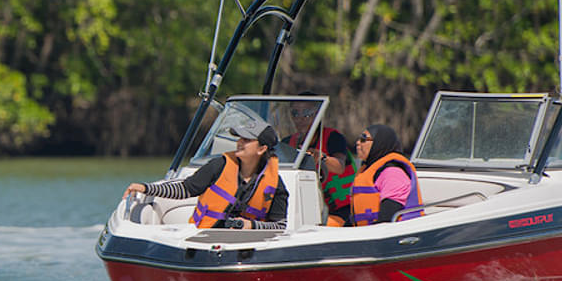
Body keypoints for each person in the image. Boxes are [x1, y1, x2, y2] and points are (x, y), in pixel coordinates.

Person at [123, 121, 290, 230]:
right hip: (205, 238)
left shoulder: (276, 184)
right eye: (240, 138)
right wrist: (146, 188)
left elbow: (280, 225)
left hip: (250, 244)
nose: (239, 143)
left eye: (247, 140)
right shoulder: (219, 165)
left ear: (262, 149)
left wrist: (251, 226)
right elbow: (185, 189)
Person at [284, 92, 357, 226]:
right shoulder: (287, 143)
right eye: (295, 113)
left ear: (317, 115)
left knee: (328, 226)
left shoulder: (333, 138)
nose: (300, 119)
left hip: (344, 207)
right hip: (305, 206)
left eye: (306, 114)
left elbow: (339, 167)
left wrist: (321, 157)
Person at [350, 124, 423, 225]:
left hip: (396, 235)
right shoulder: (367, 170)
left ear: (379, 142)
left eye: (363, 139)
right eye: (358, 139)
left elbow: (388, 215)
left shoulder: (393, 173)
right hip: (367, 232)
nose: (358, 143)